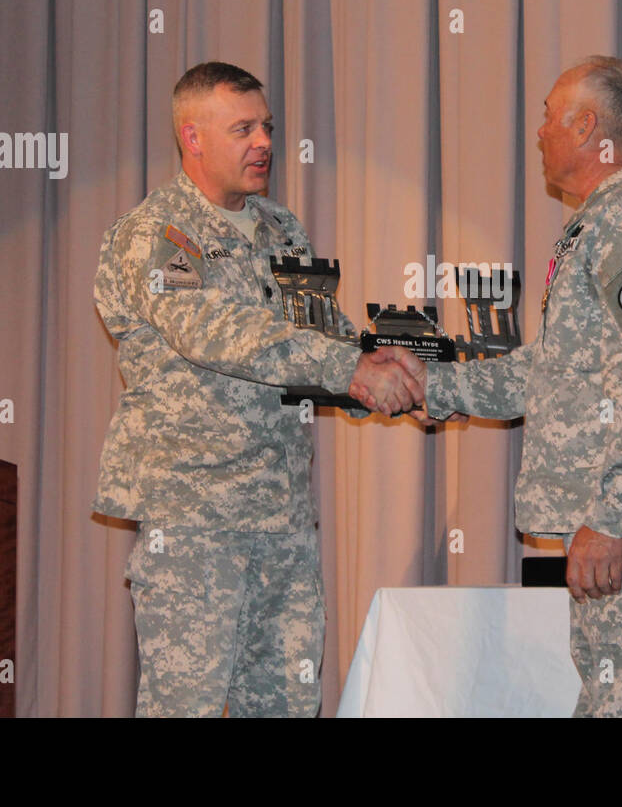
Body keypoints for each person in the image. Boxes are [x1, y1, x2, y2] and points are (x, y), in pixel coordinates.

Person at [407, 56, 622, 716]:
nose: (540, 131)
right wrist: (427, 384)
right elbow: (551, 370)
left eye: (550, 114)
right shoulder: (599, 222)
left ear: (587, 127)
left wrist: (614, 517)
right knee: (620, 702)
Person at [93, 61, 421, 717]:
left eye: (266, 126)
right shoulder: (162, 234)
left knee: (286, 706)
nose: (263, 142)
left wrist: (377, 355)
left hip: (283, 520)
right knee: (183, 707)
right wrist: (348, 370)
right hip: (195, 522)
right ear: (193, 139)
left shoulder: (281, 228)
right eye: (242, 128)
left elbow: (317, 329)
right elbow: (214, 332)